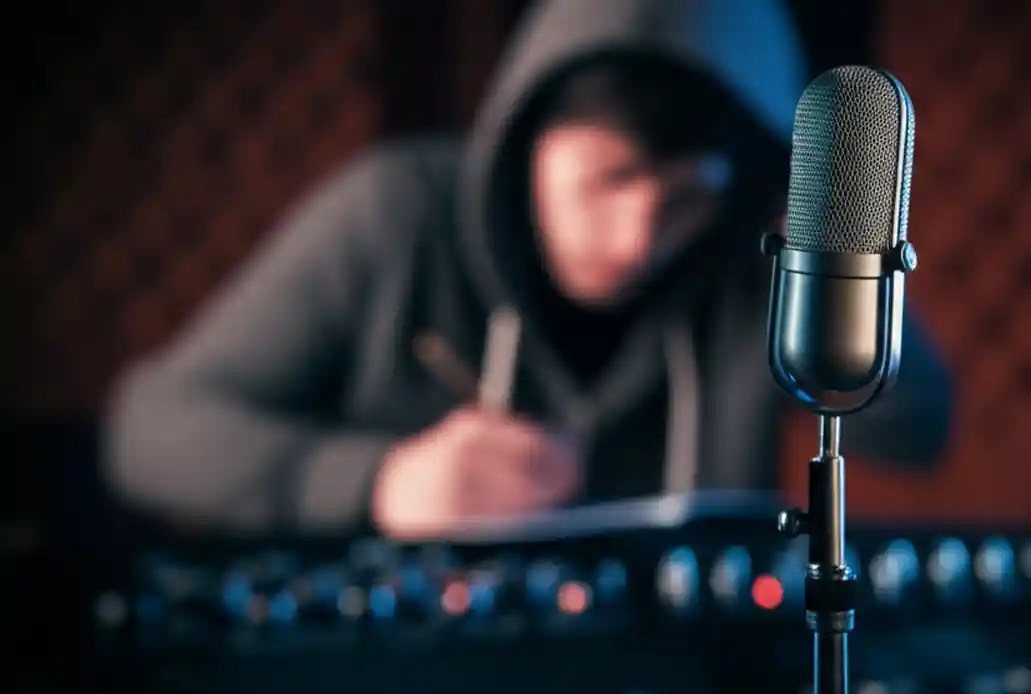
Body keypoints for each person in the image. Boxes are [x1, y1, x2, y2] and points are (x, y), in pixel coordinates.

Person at [105, 0, 952, 539]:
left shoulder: (749, 257)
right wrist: (379, 484)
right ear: (525, 141)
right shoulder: (392, 213)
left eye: (686, 197)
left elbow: (918, 431)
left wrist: (828, 229)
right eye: (606, 180)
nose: (637, 238)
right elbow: (151, 432)